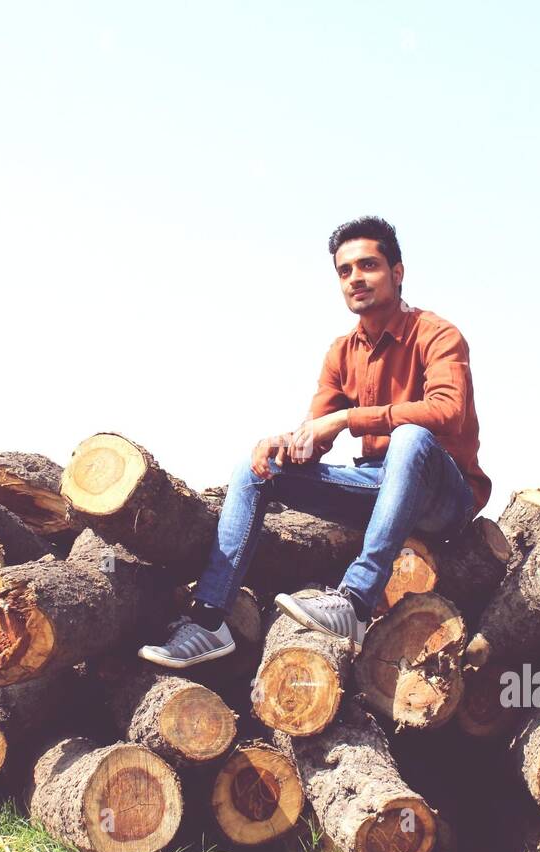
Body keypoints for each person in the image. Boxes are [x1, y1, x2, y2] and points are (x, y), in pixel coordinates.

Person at [139, 216, 492, 668]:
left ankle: (356, 604)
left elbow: (448, 410)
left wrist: (348, 418)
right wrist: (283, 443)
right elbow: (315, 435)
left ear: (397, 272)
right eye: (344, 272)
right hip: (379, 487)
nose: (355, 279)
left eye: (368, 266)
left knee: (410, 438)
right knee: (256, 469)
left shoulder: (437, 334)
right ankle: (209, 621)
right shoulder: (341, 352)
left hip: (445, 497)